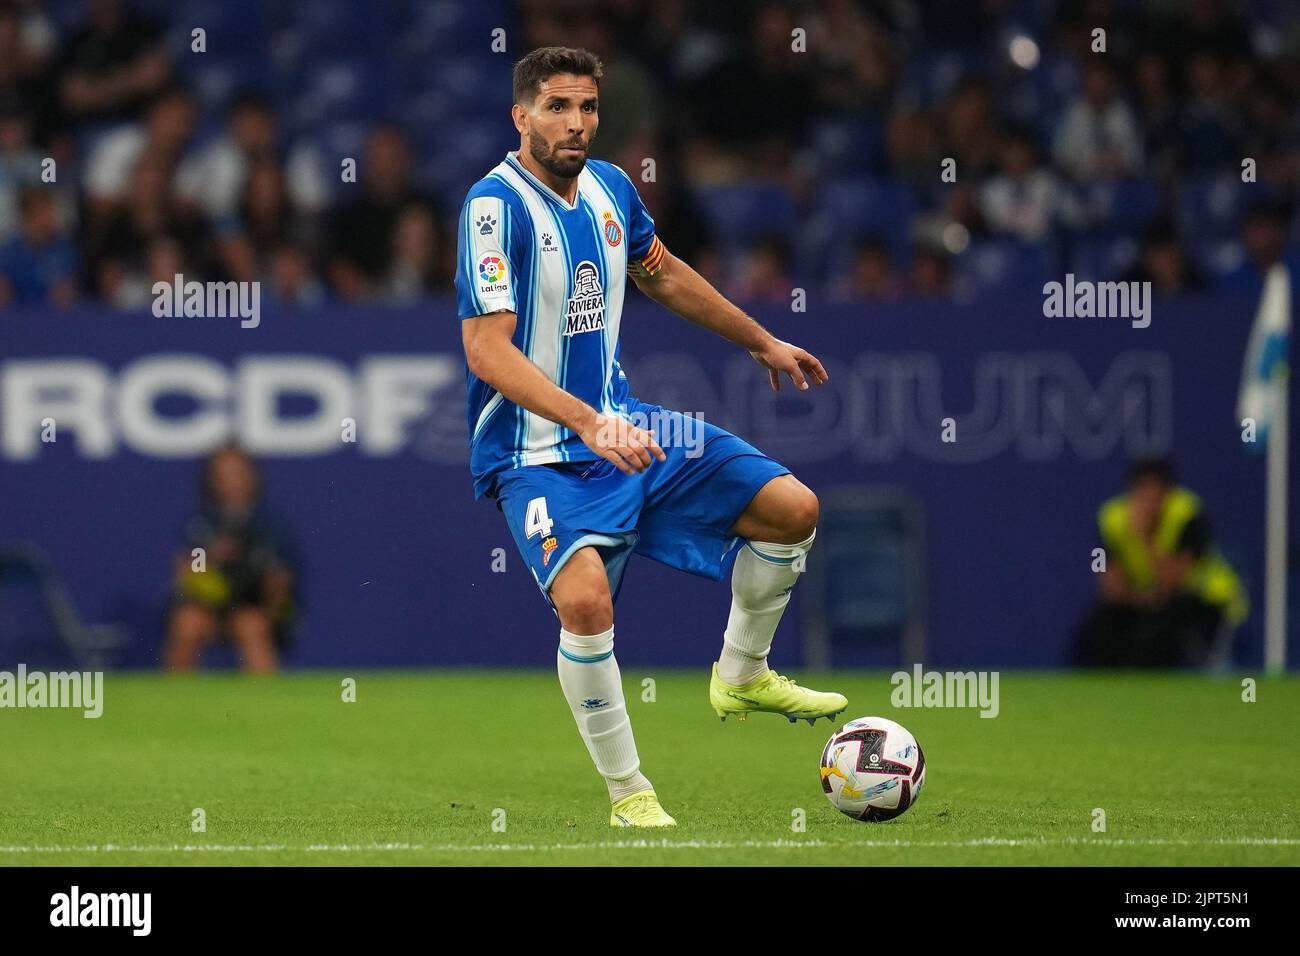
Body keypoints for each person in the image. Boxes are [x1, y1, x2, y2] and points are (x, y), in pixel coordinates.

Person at [455, 47, 846, 828]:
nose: (577, 123)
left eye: (589, 107)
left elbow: (661, 274)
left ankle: (742, 673)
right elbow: (486, 350)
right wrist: (587, 420)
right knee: (586, 602)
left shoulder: (610, 188)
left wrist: (760, 340)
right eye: (559, 106)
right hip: (537, 454)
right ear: (521, 115)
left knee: (793, 509)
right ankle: (629, 792)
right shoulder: (493, 209)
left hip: (625, 430)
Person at [1074, 457, 1247, 668]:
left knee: (1157, 632)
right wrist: (1137, 598)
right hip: (1142, 597)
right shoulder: (1111, 517)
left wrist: (1145, 536)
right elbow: (1107, 583)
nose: (1149, 498)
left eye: (1155, 490)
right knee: (1096, 626)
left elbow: (1173, 581)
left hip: (1203, 599)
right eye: (1142, 490)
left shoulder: (1188, 514)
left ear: (1168, 492)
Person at [163, 445, 297, 673]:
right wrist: (212, 557)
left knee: (251, 626)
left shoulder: (269, 525)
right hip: (207, 607)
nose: (231, 482)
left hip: (253, 607)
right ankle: (171, 703)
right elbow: (189, 571)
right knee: (188, 624)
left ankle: (267, 704)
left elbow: (280, 581)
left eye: (237, 473)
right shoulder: (200, 525)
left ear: (252, 476)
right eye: (223, 474)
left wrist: (272, 593)